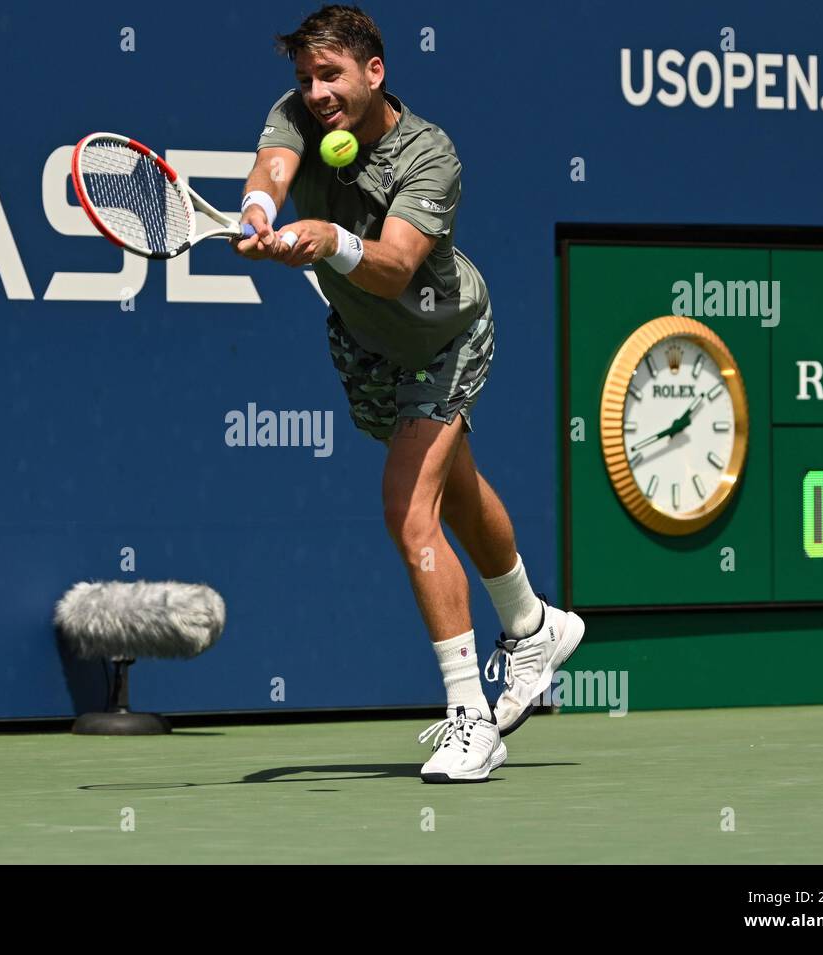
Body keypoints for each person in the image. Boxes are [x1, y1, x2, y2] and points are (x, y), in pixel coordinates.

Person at [232, 5, 583, 782]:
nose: (316, 92)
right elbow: (273, 170)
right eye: (305, 78)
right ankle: (533, 624)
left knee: (407, 508)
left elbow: (391, 266)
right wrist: (259, 211)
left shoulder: (431, 154)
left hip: (444, 338)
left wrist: (326, 237)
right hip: (367, 348)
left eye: (331, 75)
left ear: (374, 72)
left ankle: (470, 718)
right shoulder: (295, 114)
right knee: (451, 486)